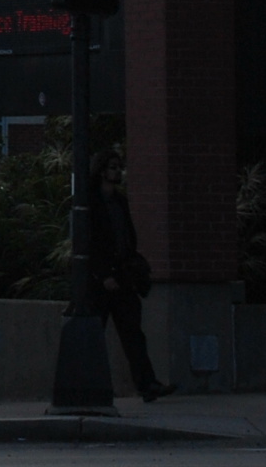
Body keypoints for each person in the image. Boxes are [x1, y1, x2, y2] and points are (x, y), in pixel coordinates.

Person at [86, 151, 172, 402]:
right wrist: (102, 275)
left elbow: (126, 236)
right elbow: (89, 243)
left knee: (133, 333)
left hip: (123, 274)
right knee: (94, 335)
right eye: (113, 167)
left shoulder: (120, 201)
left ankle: (147, 384)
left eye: (119, 167)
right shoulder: (91, 202)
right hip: (101, 280)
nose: (118, 172)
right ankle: (91, 387)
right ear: (102, 170)